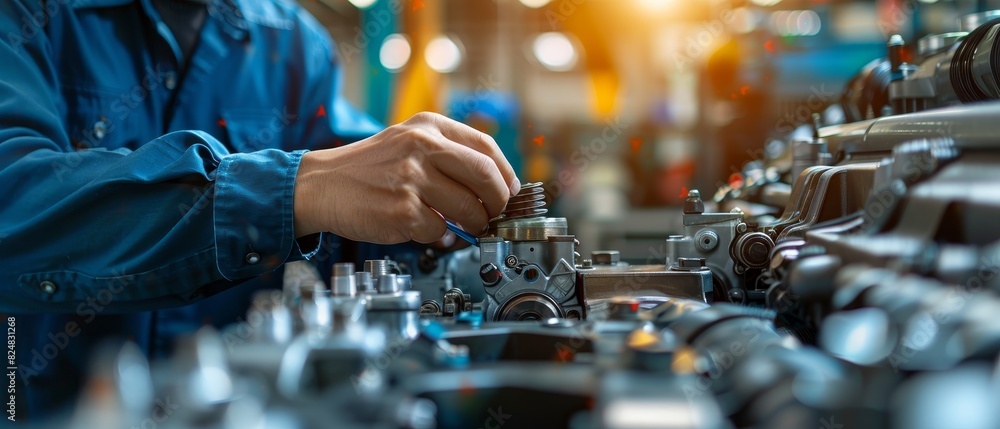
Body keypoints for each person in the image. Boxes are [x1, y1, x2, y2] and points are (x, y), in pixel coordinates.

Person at [0, 0, 519, 420]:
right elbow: (14, 206)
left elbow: (355, 183)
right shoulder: (28, 14)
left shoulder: (291, 44)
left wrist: (434, 223)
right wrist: (298, 189)